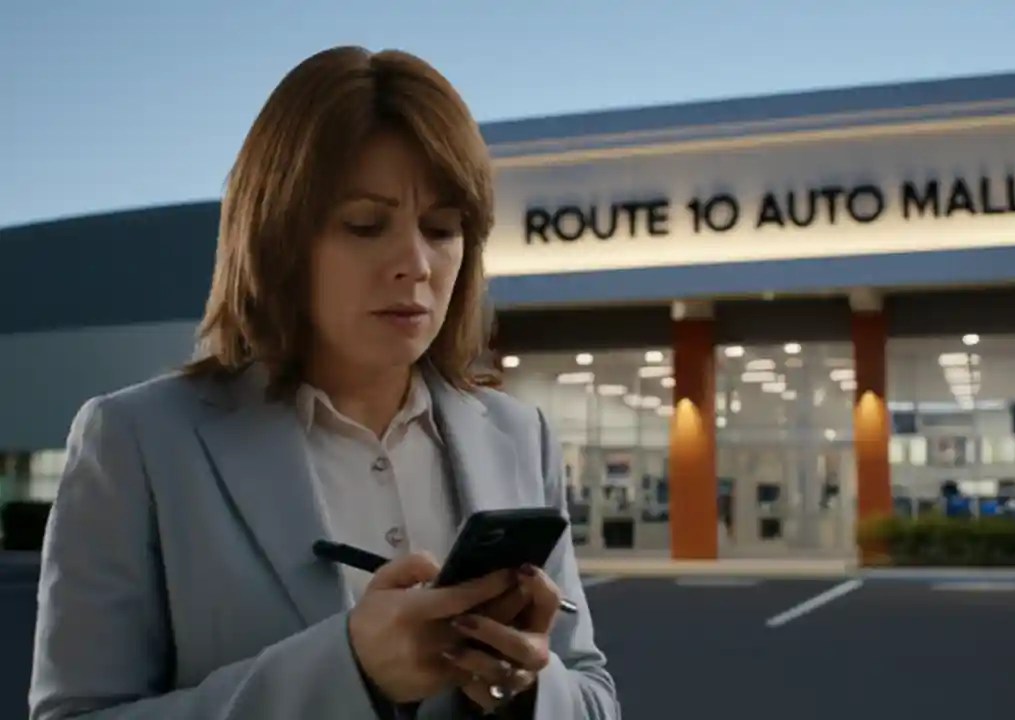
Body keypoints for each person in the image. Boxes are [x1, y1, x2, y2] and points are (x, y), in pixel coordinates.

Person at [29, 46, 619, 720]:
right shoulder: (138, 443)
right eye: (365, 225)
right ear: (277, 237)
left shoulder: (518, 435)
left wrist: (526, 686)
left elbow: (593, 695)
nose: (416, 264)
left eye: (442, 228)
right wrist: (350, 674)